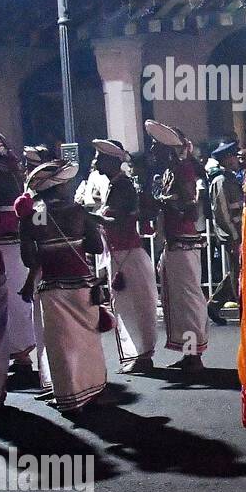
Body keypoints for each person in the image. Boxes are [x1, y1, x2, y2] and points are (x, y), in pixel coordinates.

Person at [19, 160, 108, 415]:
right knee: (88, 341)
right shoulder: (78, 211)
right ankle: (95, 391)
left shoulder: (30, 216)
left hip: (52, 288)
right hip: (82, 286)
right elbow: (96, 247)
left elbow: (29, 259)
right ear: (57, 187)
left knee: (62, 346)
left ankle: (70, 399)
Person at [146, 120, 208, 369]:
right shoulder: (172, 171)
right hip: (175, 241)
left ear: (167, 148)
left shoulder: (183, 170)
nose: (151, 150)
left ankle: (194, 356)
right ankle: (189, 353)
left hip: (183, 242)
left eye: (155, 146)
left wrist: (165, 202)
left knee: (189, 300)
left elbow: (191, 211)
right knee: (181, 301)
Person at [91, 139, 157, 374]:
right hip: (119, 255)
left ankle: (142, 355)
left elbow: (119, 222)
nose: (95, 161)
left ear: (110, 160)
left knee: (135, 305)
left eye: (99, 157)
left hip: (127, 255)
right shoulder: (114, 185)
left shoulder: (123, 187)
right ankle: (137, 354)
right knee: (125, 305)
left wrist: (91, 218)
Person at [0, 133, 35, 374]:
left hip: (2, 242)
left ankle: (16, 352)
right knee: (15, 300)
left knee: (6, 300)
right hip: (12, 242)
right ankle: (19, 353)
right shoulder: (13, 169)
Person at [207, 141, 244, 326]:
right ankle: (243, 309)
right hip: (234, 235)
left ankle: (214, 304)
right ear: (226, 159)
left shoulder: (231, 178)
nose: (236, 159)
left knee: (237, 272)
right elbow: (222, 212)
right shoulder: (220, 180)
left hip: (241, 233)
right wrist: (234, 237)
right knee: (238, 274)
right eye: (233, 156)